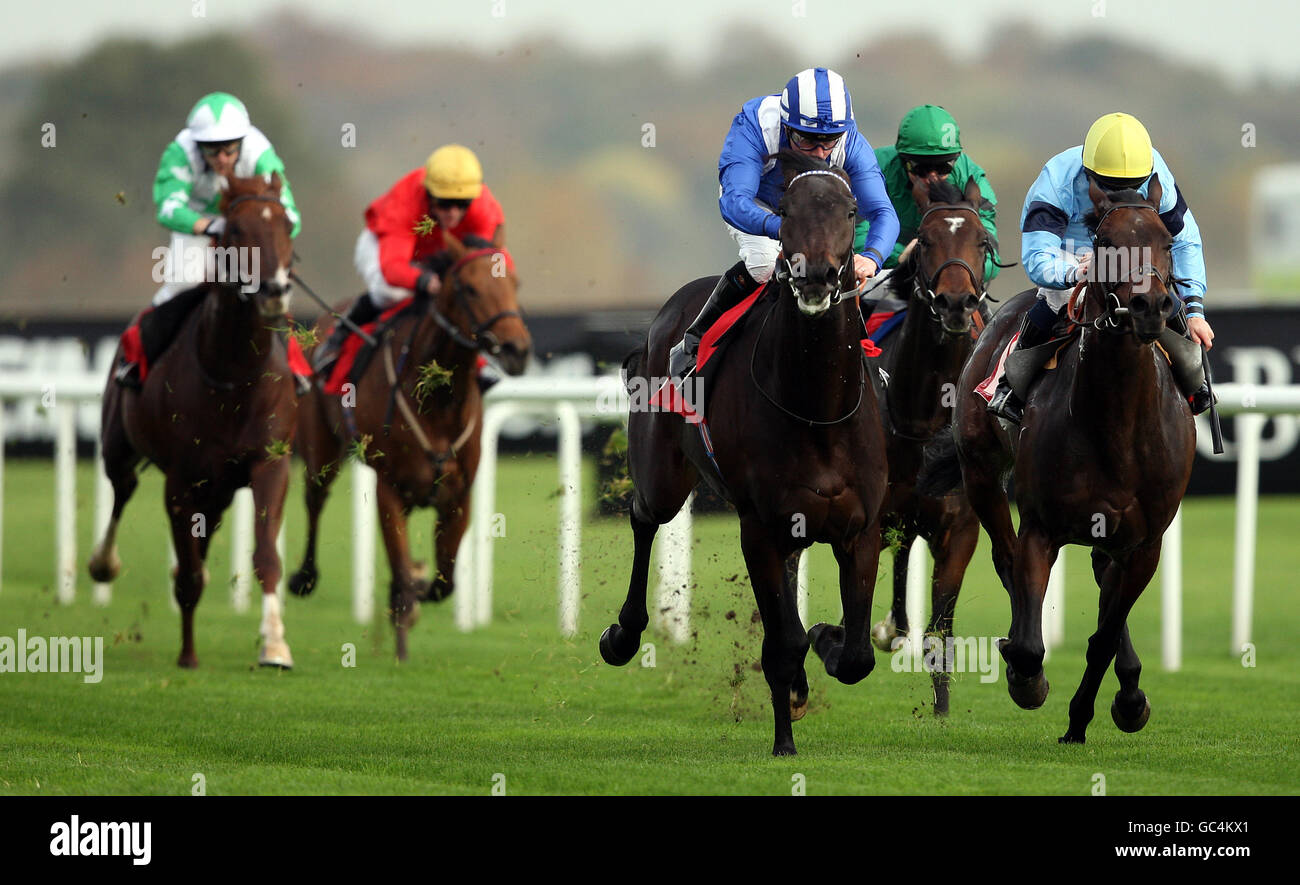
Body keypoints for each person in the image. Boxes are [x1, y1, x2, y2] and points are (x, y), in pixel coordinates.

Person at [667, 67, 900, 380]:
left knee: (839, 267)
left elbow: (884, 213)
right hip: (760, 203)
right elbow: (735, 202)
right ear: (787, 127)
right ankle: (695, 339)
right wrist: (785, 229)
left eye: (829, 142)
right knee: (763, 266)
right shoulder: (756, 124)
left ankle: (858, 353)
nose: (819, 153)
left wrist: (871, 258)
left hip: (816, 212)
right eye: (807, 141)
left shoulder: (852, 143)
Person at [988, 112, 1215, 424]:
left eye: (1131, 186)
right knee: (1057, 297)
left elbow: (1184, 239)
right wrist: (1079, 273)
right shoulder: (1057, 179)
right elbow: (1038, 258)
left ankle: (1194, 383)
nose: (1116, 195)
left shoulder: (1155, 168)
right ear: (1087, 171)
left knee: (1161, 296)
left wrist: (1195, 311)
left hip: (1132, 251)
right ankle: (1011, 385)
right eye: (1108, 186)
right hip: (1070, 252)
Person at [116, 92, 302, 388]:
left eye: (229, 151)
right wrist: (209, 226)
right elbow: (167, 208)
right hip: (196, 225)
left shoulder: (259, 152)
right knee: (182, 282)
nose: (222, 159)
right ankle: (136, 359)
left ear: (242, 142)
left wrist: (270, 239)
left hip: (246, 230)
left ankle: (294, 367)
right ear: (198, 146)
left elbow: (290, 211)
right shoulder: (179, 152)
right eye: (212, 152)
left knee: (269, 287)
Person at [313, 144, 506, 389]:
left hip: (438, 252)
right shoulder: (405, 200)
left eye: (462, 203)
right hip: (383, 246)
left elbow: (496, 260)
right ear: (429, 193)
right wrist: (423, 281)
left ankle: (476, 362)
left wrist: (495, 282)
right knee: (391, 293)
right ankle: (338, 337)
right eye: (445, 203)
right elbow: (393, 267)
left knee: (467, 293)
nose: (454, 212)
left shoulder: (484, 208)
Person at [853, 104, 1001, 299]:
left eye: (942, 167)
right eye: (920, 168)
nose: (932, 177)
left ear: (955, 160)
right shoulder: (874, 169)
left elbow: (991, 258)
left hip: (950, 276)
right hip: (886, 271)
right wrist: (902, 256)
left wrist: (939, 260)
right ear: (902, 159)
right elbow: (858, 237)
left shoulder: (972, 179)